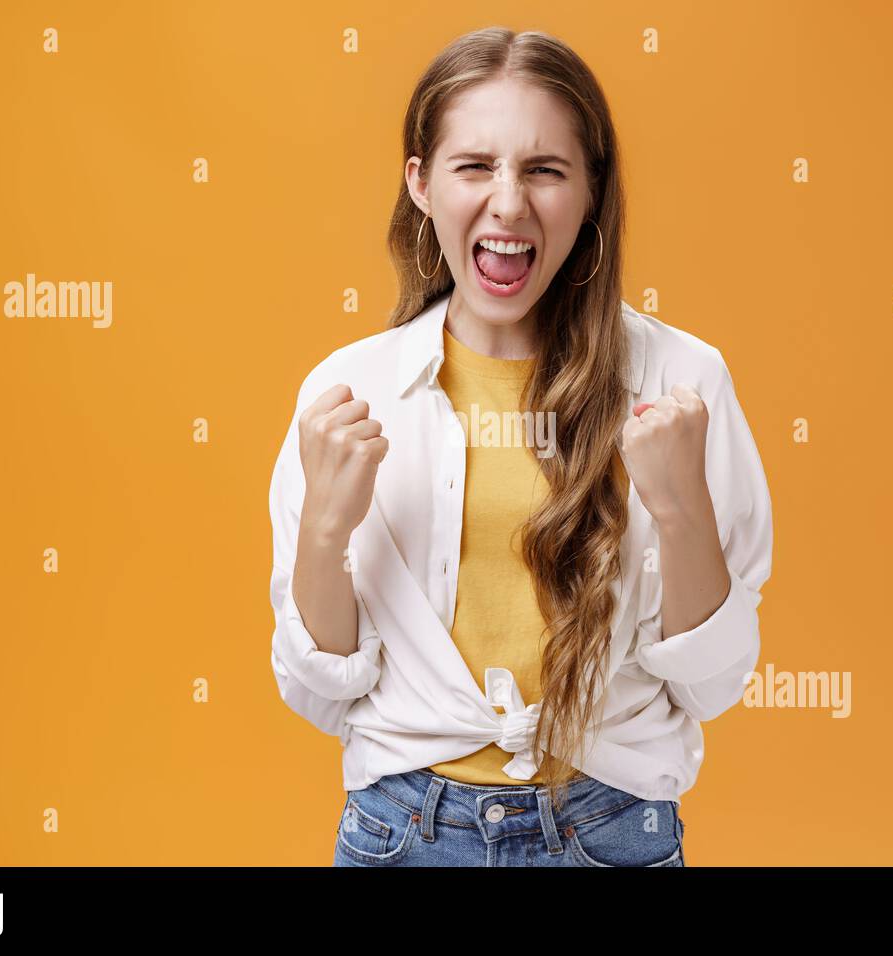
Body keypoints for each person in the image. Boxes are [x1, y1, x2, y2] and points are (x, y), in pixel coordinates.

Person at [269, 27, 773, 867]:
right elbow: (322, 696)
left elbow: (710, 686)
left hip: (613, 832)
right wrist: (325, 526)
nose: (509, 204)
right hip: (403, 835)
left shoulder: (685, 381)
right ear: (421, 184)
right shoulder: (349, 391)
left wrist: (682, 509)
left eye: (545, 170)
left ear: (590, 193)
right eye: (474, 166)